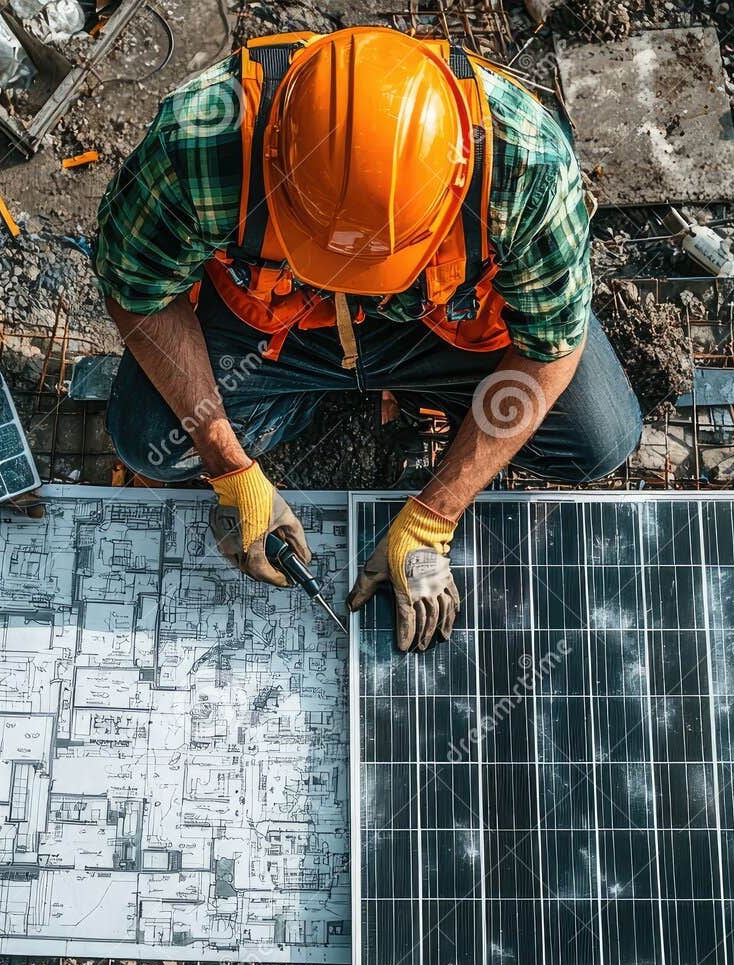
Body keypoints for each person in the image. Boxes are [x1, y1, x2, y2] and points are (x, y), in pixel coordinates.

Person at [91, 25, 641, 651]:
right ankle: (309, 399)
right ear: (275, 157)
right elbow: (137, 290)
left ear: (455, 183)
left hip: (440, 332)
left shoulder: (527, 165)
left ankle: (393, 398)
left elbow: (549, 345)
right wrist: (229, 468)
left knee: (596, 439)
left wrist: (436, 514)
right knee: (152, 442)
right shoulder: (198, 143)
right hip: (282, 330)